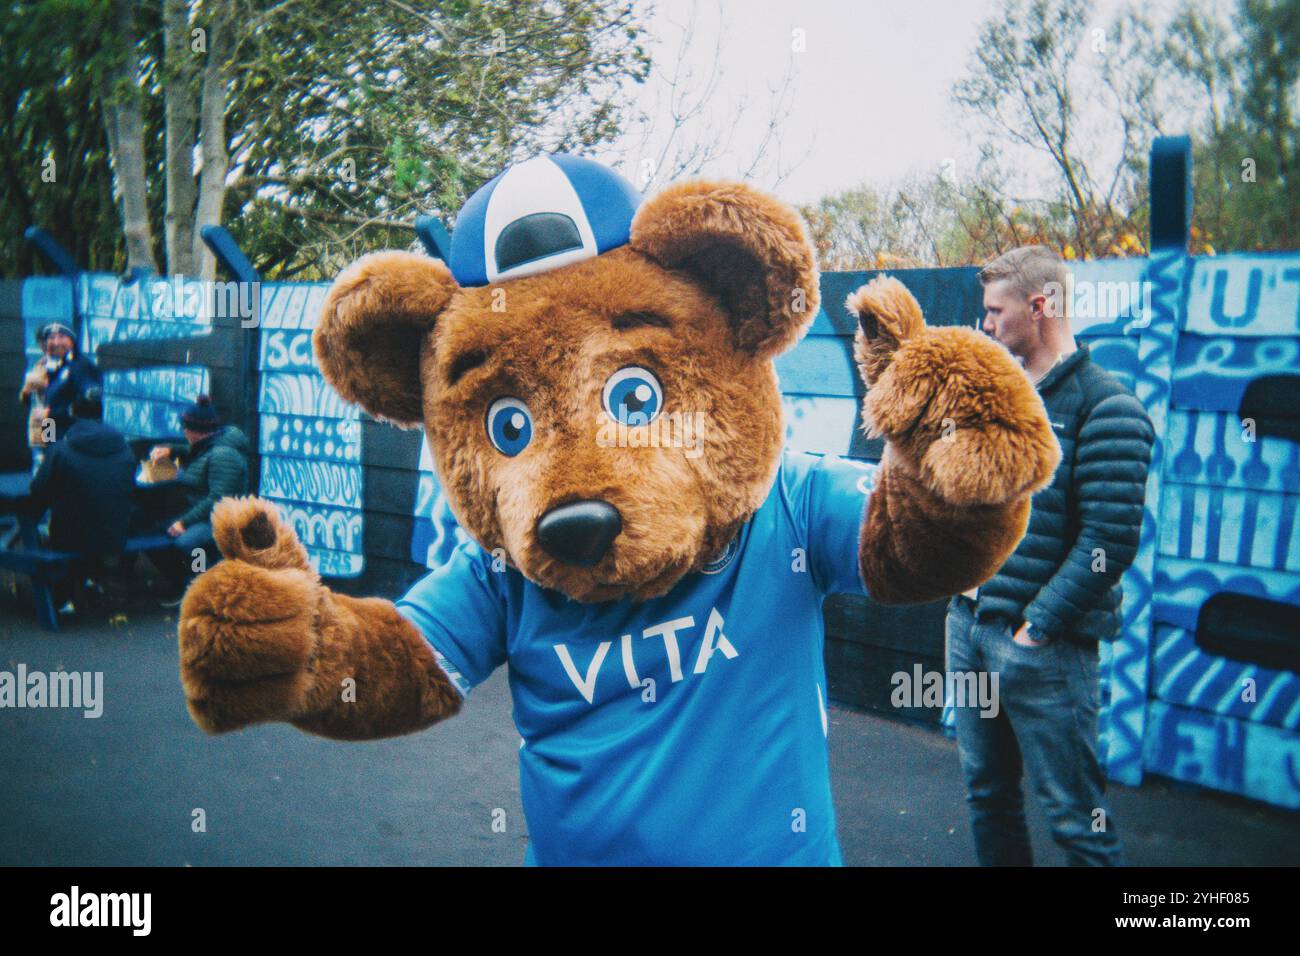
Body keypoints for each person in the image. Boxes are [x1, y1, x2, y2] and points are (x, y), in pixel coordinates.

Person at [946, 245, 1155, 866]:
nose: (984, 324)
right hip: (969, 629)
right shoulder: (998, 395)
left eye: (994, 311)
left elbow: (1109, 540)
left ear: (1039, 308)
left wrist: (1038, 627)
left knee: (1076, 822)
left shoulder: (1107, 407)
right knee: (987, 796)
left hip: (1044, 650)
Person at [26, 386, 137, 610]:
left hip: (72, 533)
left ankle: (63, 598)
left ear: (74, 413)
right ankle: (92, 581)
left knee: (62, 520)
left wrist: (31, 518)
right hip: (115, 531)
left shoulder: (62, 450)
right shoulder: (125, 449)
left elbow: (41, 491)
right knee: (93, 511)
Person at [148, 395, 250, 601]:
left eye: (186, 428)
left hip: (219, 518)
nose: (183, 431)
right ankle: (184, 580)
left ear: (195, 431)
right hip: (201, 512)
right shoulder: (212, 444)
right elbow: (197, 452)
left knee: (188, 542)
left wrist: (184, 522)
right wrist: (171, 450)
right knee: (153, 533)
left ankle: (201, 583)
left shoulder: (224, 456)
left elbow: (217, 499)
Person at [28, 322, 102, 443]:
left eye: (62, 337)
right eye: (51, 338)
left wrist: (51, 413)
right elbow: (42, 401)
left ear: (72, 340)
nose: (56, 342)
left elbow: (89, 402)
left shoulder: (81, 366)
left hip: (72, 438)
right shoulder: (51, 365)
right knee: (48, 455)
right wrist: (46, 443)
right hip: (49, 429)